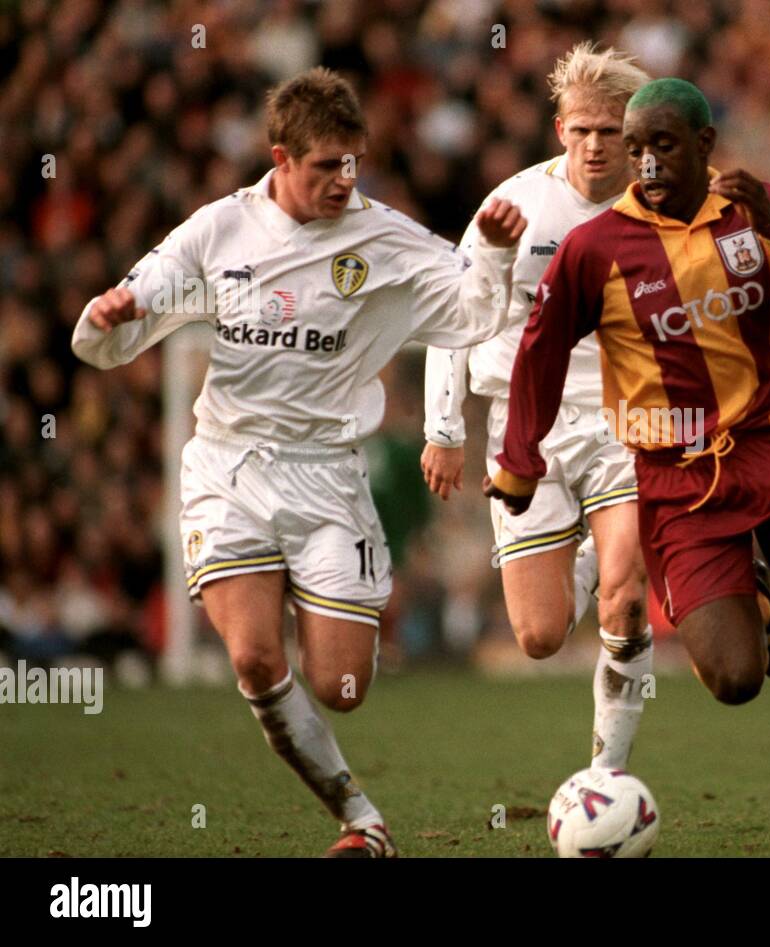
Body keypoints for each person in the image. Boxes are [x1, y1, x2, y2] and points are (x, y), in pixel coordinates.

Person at [71, 68, 525, 858]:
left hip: (328, 475)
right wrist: (108, 315)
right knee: (251, 655)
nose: (344, 181)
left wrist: (489, 252)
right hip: (230, 467)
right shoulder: (220, 229)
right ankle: (362, 819)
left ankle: (321, 594)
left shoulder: (383, 235)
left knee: (341, 688)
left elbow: (472, 313)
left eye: (354, 162)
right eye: (325, 166)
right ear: (280, 157)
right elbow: (129, 315)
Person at [486, 78, 770, 856]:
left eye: (662, 145)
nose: (645, 163)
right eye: (635, 149)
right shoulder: (594, 248)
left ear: (704, 145)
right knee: (734, 679)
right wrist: (518, 459)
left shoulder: (755, 209)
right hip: (681, 482)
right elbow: (539, 350)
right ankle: (756, 605)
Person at [421, 43, 656, 769]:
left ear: (634, 135)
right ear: (560, 130)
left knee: (624, 600)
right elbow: (451, 316)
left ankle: (607, 775)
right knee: (539, 636)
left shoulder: (666, 207)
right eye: (581, 129)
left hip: (627, 422)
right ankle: (588, 557)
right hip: (529, 431)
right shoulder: (516, 204)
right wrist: (443, 428)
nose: (594, 144)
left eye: (610, 131)